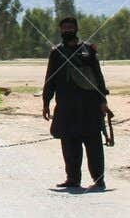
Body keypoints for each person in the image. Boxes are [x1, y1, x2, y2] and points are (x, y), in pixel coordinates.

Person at [42, 16, 110, 192]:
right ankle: (72, 179)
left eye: (70, 27)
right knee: (69, 145)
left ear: (76, 29)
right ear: (61, 30)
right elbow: (50, 79)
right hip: (66, 107)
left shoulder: (88, 51)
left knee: (94, 144)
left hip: (90, 107)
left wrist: (103, 101)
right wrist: (46, 102)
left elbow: (98, 77)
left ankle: (99, 180)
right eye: (64, 28)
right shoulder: (56, 53)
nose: (67, 30)